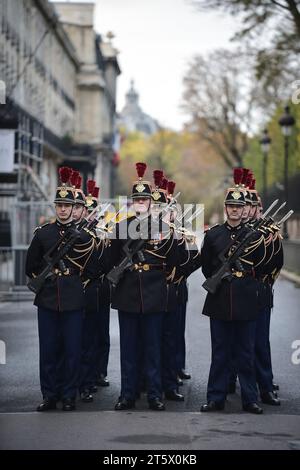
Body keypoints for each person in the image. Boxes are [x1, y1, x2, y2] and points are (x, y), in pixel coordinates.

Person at [25, 167, 98, 411]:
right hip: (47, 297)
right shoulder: (43, 234)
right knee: (48, 349)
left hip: (73, 297)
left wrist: (76, 280)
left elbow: (93, 268)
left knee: (72, 349)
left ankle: (69, 395)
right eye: (60, 205)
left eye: (67, 205)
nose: (64, 209)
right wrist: (44, 280)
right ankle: (50, 394)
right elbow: (30, 266)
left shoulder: (85, 237)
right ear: (55, 207)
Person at [109, 162, 179, 411]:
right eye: (136, 199)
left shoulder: (163, 229)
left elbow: (174, 261)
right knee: (128, 349)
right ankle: (127, 394)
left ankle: (154, 395)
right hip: (127, 293)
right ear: (132, 202)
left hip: (154, 294)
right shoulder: (120, 227)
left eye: (144, 199)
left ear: (150, 202)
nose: (140, 202)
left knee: (153, 349)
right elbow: (110, 261)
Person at [200, 168, 265, 414]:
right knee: (220, 352)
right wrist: (221, 279)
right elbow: (207, 267)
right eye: (231, 205)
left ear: (243, 209)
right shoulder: (214, 234)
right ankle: (215, 397)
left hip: (246, 298)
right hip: (220, 298)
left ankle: (250, 399)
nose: (235, 209)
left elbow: (261, 266)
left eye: (239, 206)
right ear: (226, 208)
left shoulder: (255, 235)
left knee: (245, 352)